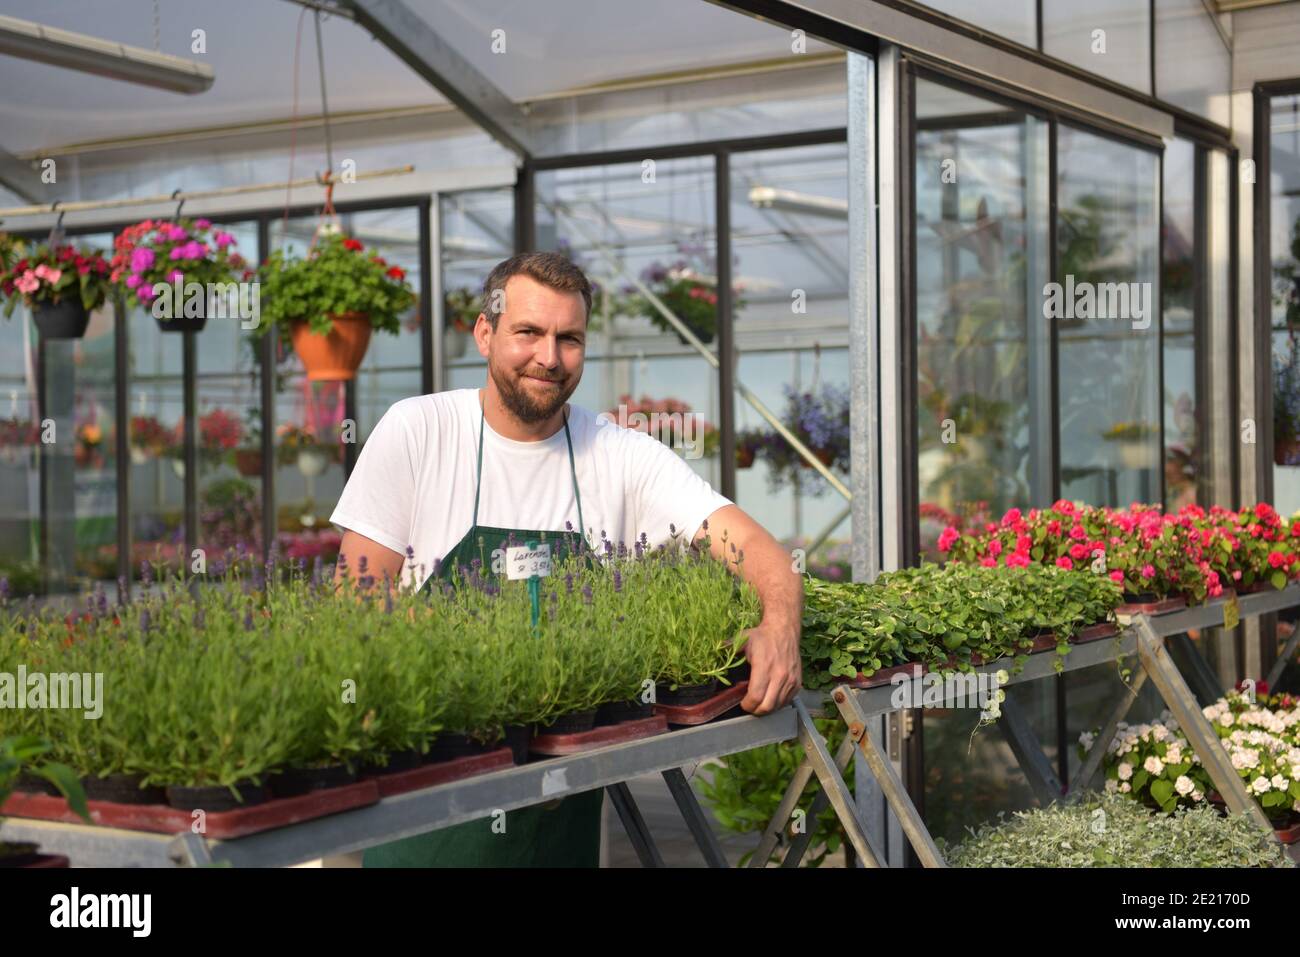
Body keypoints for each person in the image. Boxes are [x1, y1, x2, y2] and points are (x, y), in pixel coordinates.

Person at [330, 251, 803, 866]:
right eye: (528, 332)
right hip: (431, 808)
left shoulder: (618, 453)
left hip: (563, 822)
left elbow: (758, 547)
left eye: (569, 338)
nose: (548, 358)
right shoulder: (419, 431)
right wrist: (478, 659)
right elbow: (357, 597)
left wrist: (780, 624)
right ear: (485, 332)